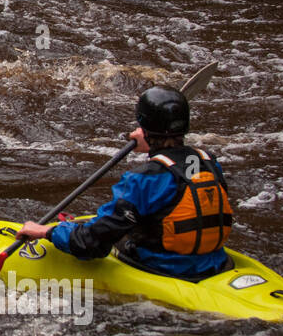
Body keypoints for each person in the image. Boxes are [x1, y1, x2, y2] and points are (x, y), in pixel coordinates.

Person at [17, 86, 235, 280]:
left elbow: (92, 244)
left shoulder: (144, 179)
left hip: (165, 267)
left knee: (109, 235)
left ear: (144, 127)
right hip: (213, 262)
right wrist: (152, 141)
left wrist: (48, 232)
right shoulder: (208, 161)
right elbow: (178, 182)